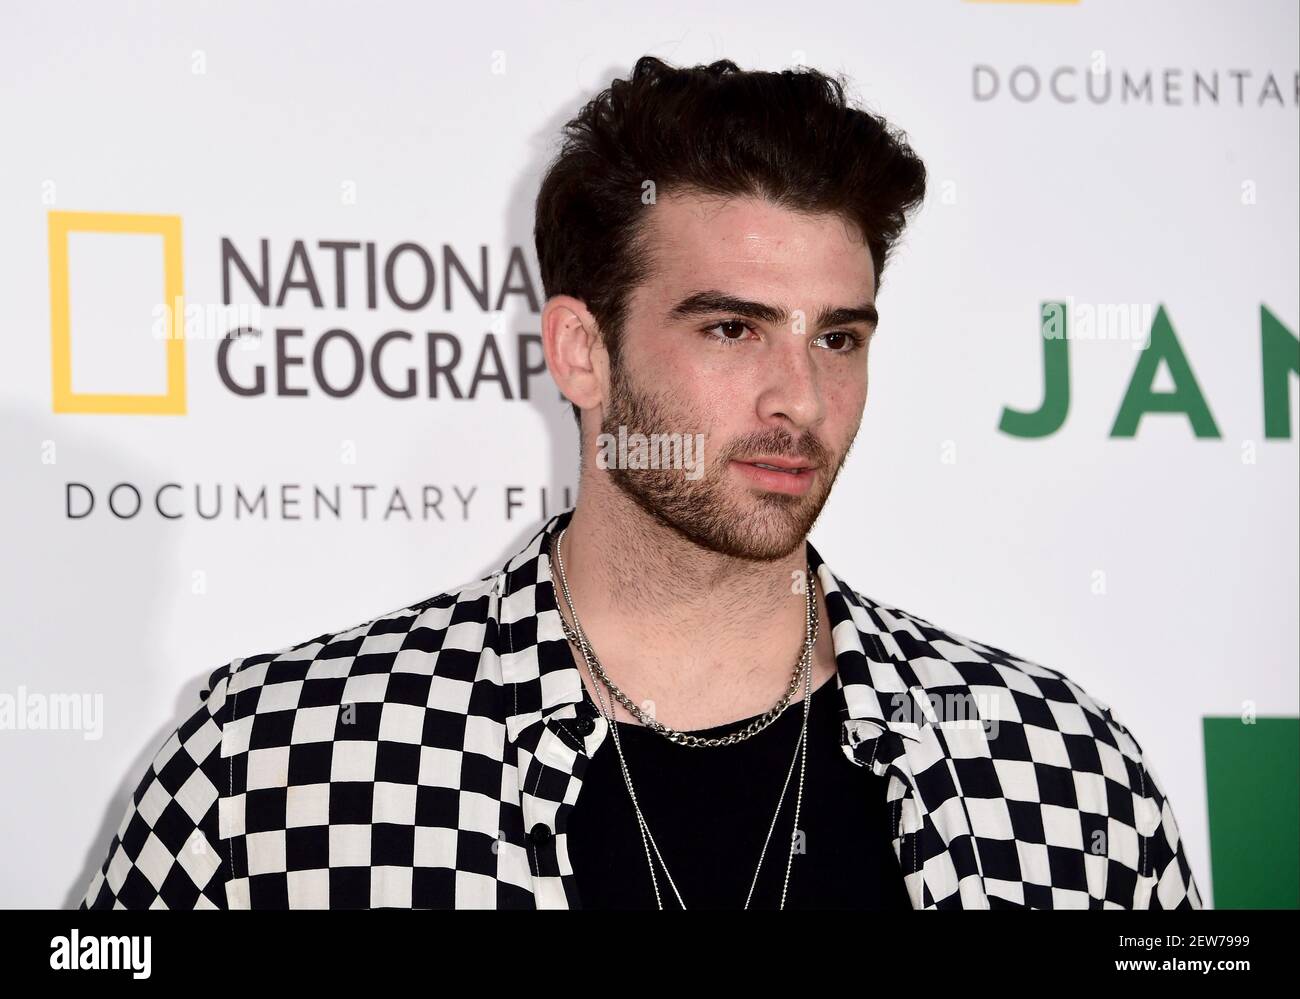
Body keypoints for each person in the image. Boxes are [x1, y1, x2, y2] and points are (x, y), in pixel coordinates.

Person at [79, 55, 1201, 910]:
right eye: (730, 328)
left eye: (839, 339)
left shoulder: (1050, 765)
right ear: (580, 352)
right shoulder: (280, 765)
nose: (799, 401)